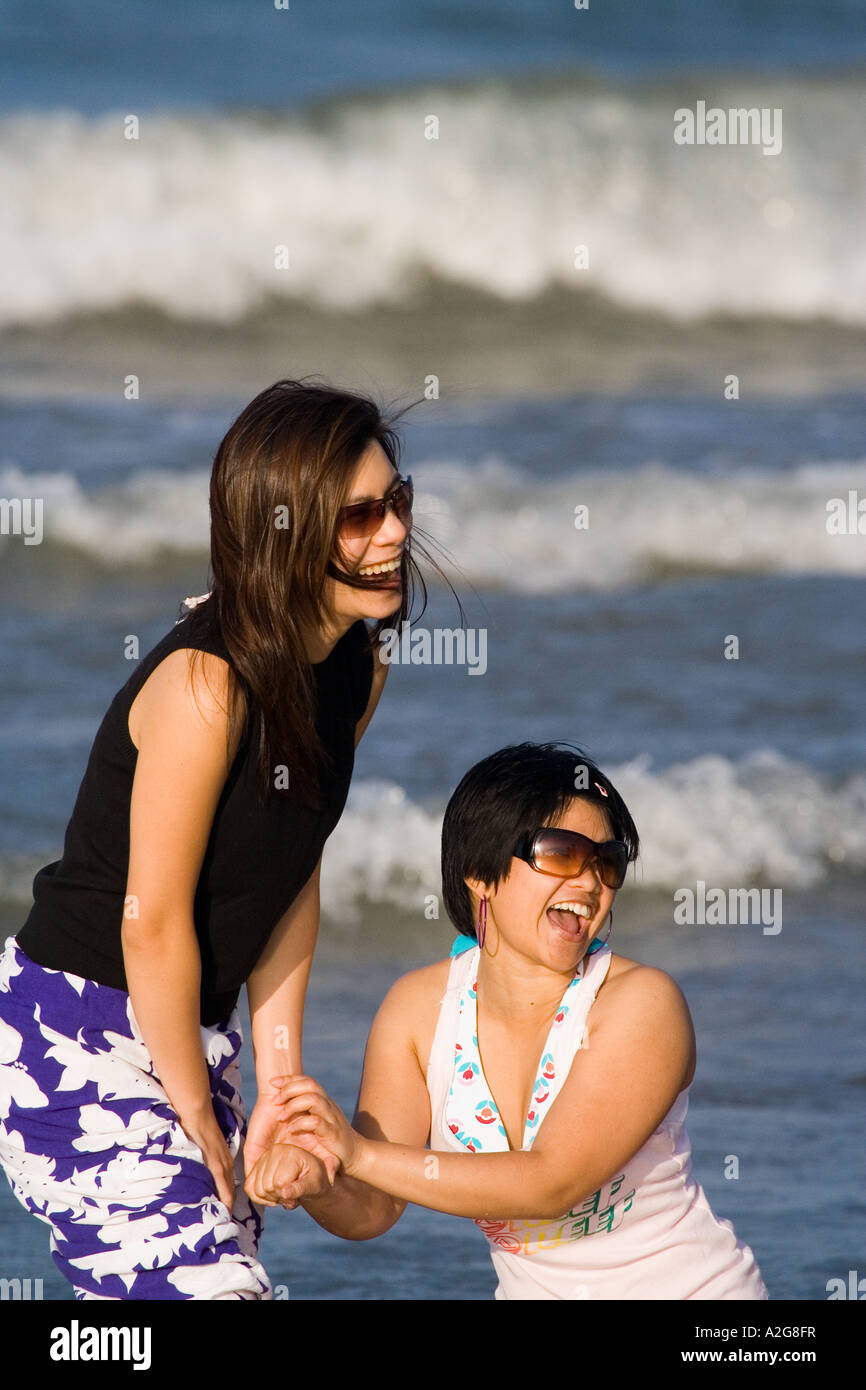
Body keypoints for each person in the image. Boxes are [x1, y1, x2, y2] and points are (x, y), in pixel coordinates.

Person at [0, 377, 453, 1300]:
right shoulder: (208, 686)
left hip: (189, 1033)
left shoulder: (356, 669)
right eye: (359, 516)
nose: (395, 532)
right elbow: (152, 921)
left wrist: (281, 1089)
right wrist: (196, 1110)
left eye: (394, 501)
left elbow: (292, 868)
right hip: (72, 1030)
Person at [247, 742, 769, 1300]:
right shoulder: (417, 1012)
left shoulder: (642, 1003)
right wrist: (314, 1177)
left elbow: (550, 1183)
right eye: (562, 853)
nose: (591, 883)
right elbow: (373, 1206)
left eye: (606, 861)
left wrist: (357, 1152)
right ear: (480, 872)